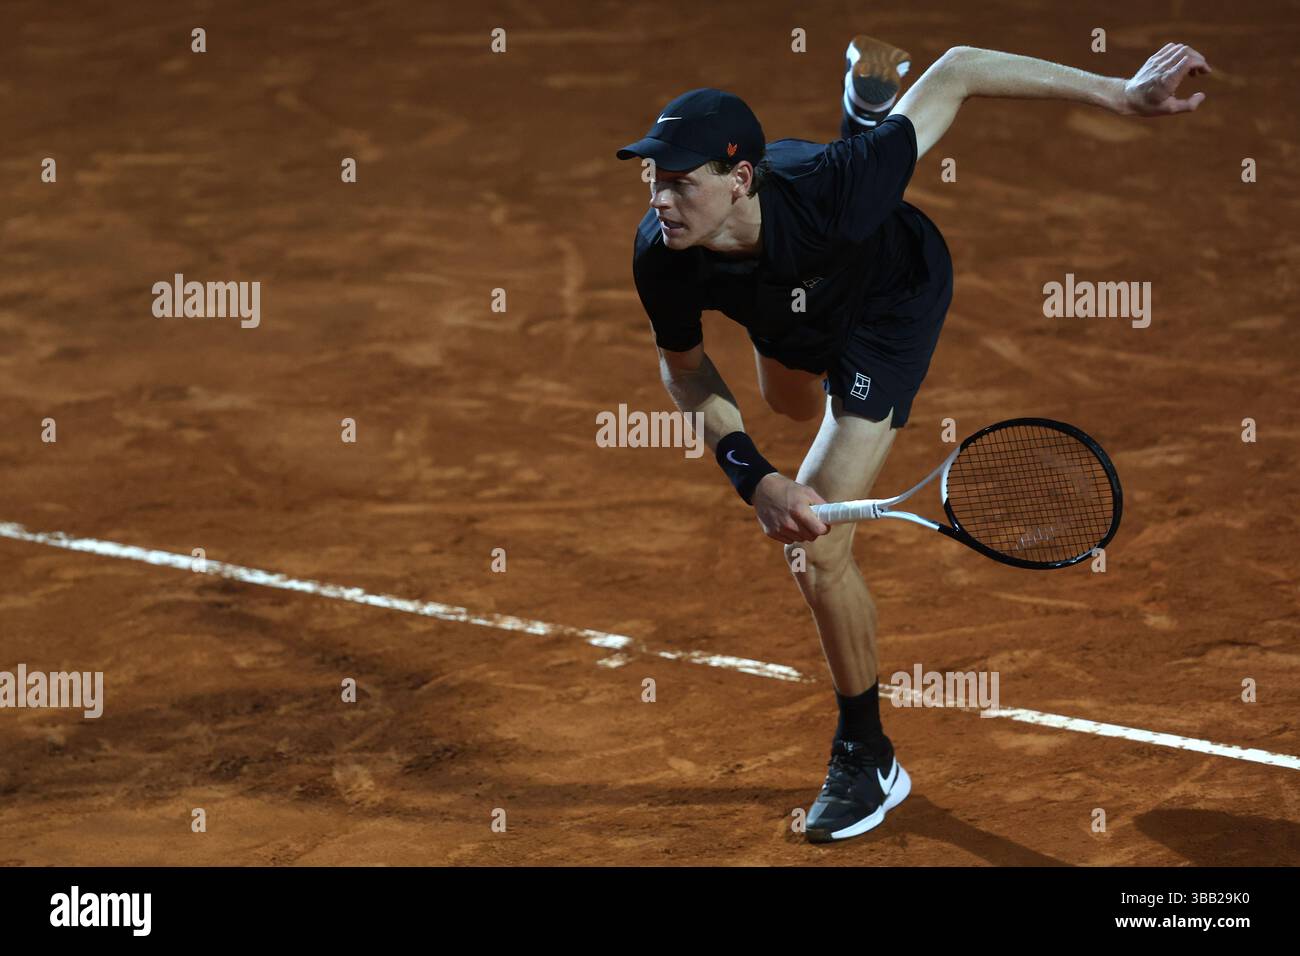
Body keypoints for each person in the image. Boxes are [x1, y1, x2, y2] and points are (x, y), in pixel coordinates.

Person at [617, 37, 1210, 843]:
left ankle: (867, 756)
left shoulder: (836, 190)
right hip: (788, 303)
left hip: (889, 303)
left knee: (818, 548)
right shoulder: (664, 255)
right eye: (655, 178)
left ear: (740, 179)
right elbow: (685, 374)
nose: (660, 199)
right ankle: (860, 119)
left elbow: (959, 67)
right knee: (787, 407)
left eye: (682, 182)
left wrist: (1124, 94)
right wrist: (754, 477)